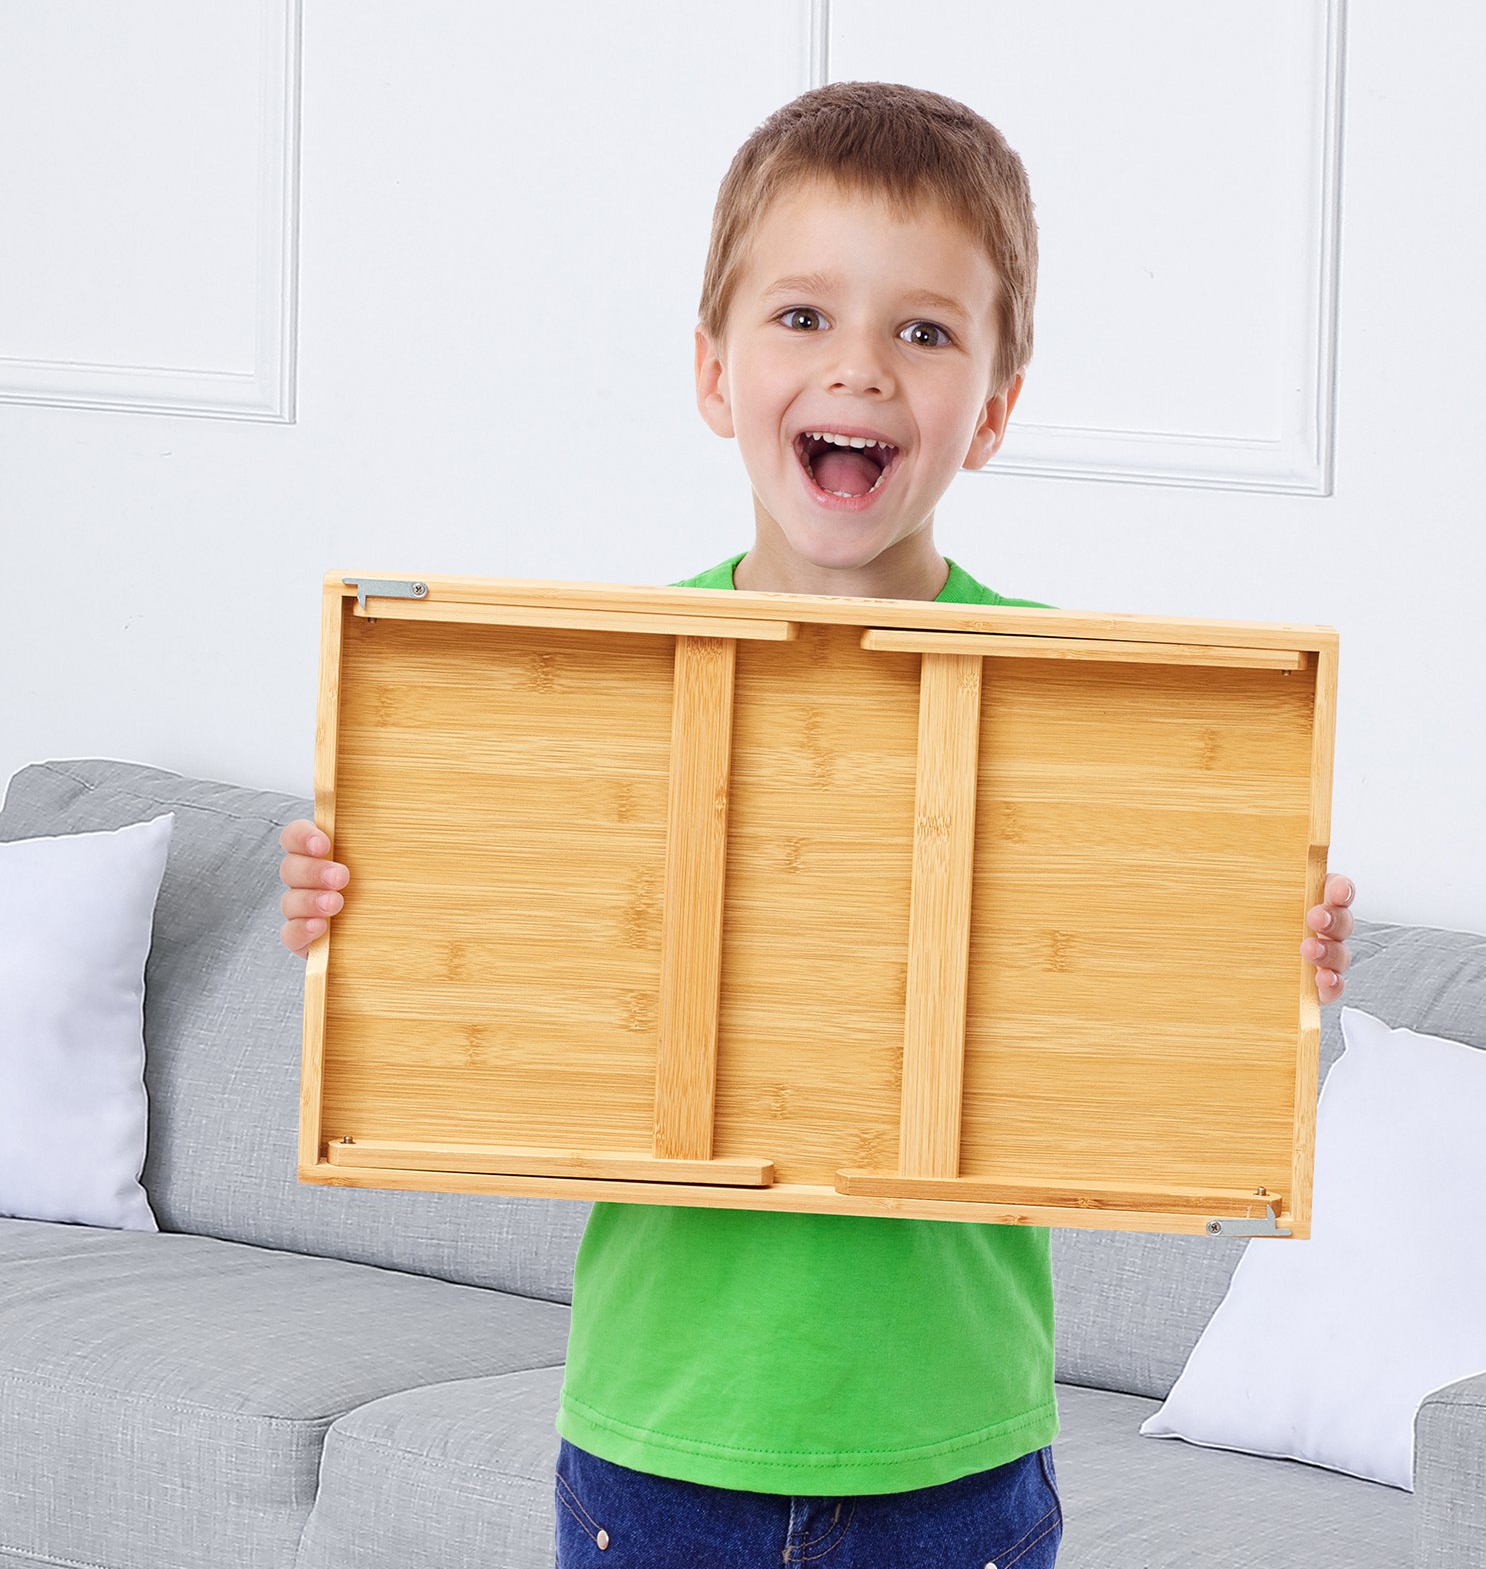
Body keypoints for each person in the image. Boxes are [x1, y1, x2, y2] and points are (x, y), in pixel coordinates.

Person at [277, 80, 1356, 1567]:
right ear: (715, 373)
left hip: (953, 1454)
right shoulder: (599, 693)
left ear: (994, 407)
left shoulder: (1091, 713)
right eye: (802, 318)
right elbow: (495, 990)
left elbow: (1173, 1027)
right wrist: (364, 914)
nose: (860, 366)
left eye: (924, 329)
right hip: (656, 1441)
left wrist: (1267, 963)